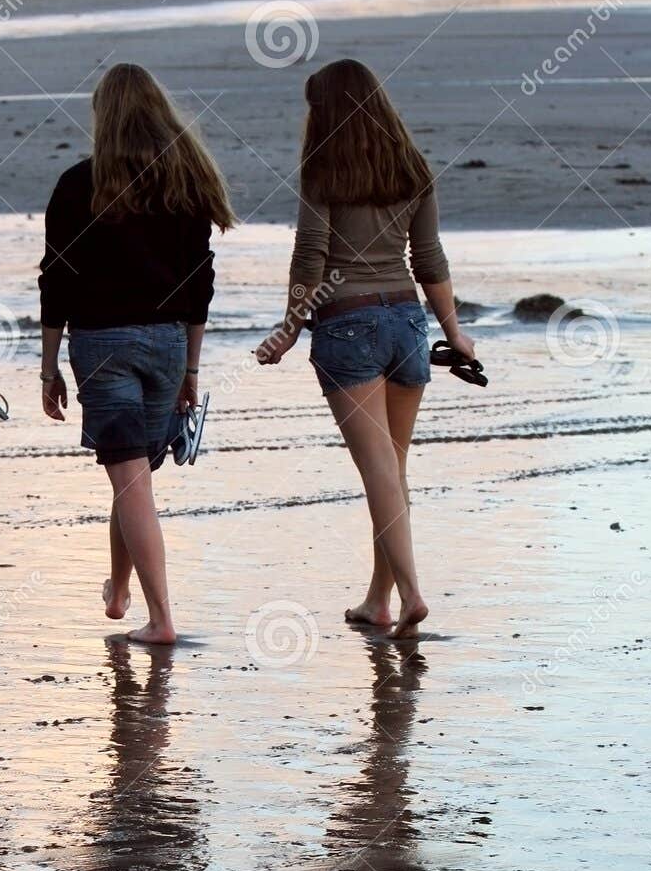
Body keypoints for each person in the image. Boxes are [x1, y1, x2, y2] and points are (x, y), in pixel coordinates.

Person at [256, 58, 477, 638]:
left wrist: (289, 326)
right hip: (407, 323)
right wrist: (454, 335)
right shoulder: (411, 165)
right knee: (393, 470)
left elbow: (311, 253)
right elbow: (428, 259)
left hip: (347, 325)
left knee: (379, 470)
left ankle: (411, 593)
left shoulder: (322, 167)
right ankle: (379, 598)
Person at [39, 63, 235, 645]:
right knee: (134, 479)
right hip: (168, 343)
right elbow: (201, 284)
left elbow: (57, 281)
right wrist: (191, 368)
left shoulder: (79, 184)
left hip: (103, 345)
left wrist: (49, 367)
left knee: (131, 481)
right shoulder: (186, 182)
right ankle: (120, 590)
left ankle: (163, 619)